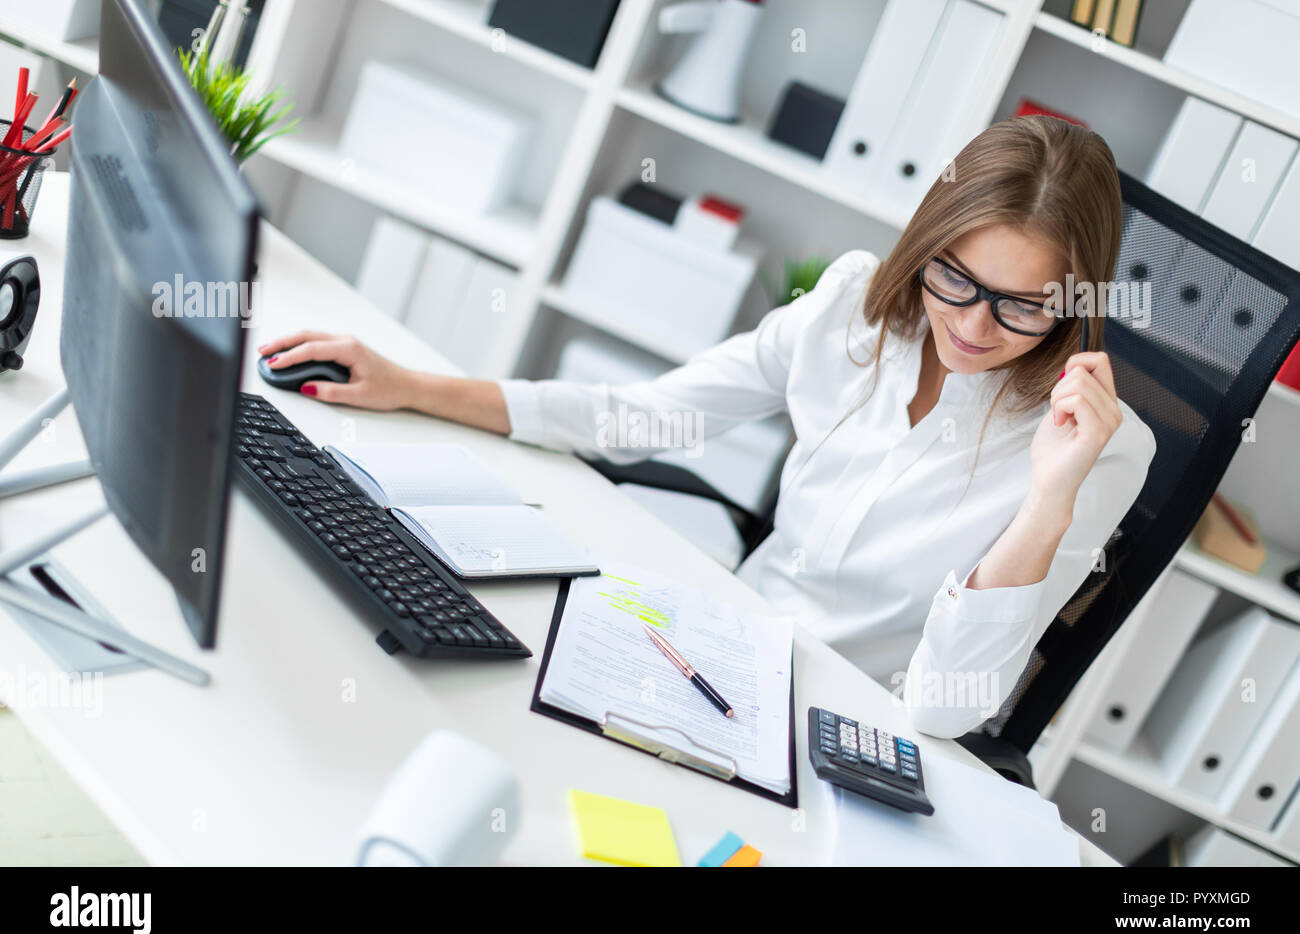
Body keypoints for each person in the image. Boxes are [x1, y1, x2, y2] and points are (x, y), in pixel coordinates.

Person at [257, 115, 1156, 738]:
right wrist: (413, 385)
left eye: (1021, 307)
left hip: (854, 729)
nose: (970, 323)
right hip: (724, 656)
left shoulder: (1102, 448)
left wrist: (1047, 501)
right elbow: (648, 415)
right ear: (925, 243)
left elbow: (946, 708)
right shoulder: (855, 304)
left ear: (1077, 304)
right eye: (953, 278)